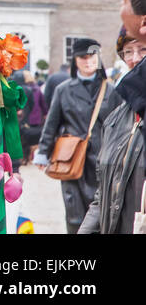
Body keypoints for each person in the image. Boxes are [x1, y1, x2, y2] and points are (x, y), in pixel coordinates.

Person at [35, 38, 122, 233]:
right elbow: (52, 124)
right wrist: (43, 151)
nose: (88, 61)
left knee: (103, 212)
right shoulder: (63, 90)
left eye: (92, 57)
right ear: (75, 60)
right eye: (83, 57)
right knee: (74, 213)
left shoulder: (112, 91)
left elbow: (121, 128)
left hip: (104, 159)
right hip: (72, 159)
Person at [79, 38, 146, 233]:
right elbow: (104, 192)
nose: (135, 59)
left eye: (143, 49)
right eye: (128, 52)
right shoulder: (115, 118)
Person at [18, 70, 47, 164]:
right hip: (36, 118)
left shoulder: (19, 89)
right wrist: (45, 114)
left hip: (24, 118)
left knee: (24, 140)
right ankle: (30, 158)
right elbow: (42, 104)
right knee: (33, 140)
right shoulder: (37, 89)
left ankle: (24, 158)